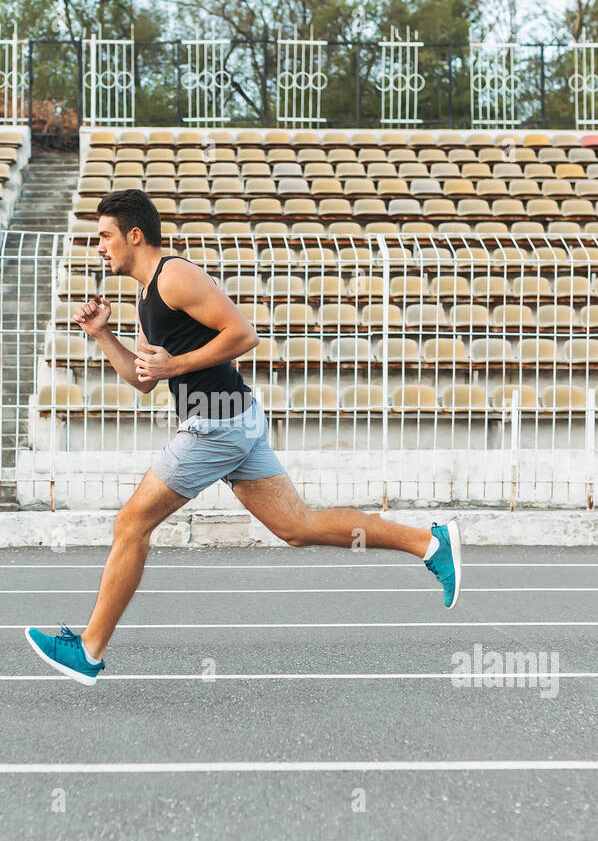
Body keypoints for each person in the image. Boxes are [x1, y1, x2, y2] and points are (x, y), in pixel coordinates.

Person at [26, 189, 461, 685]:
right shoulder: (147, 297)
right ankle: (430, 543)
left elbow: (242, 334)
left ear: (134, 234)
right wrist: (103, 334)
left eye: (105, 237)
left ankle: (89, 649)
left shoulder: (175, 276)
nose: (99, 247)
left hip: (215, 424)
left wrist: (178, 364)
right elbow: (144, 379)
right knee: (297, 526)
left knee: (130, 525)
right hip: (234, 419)